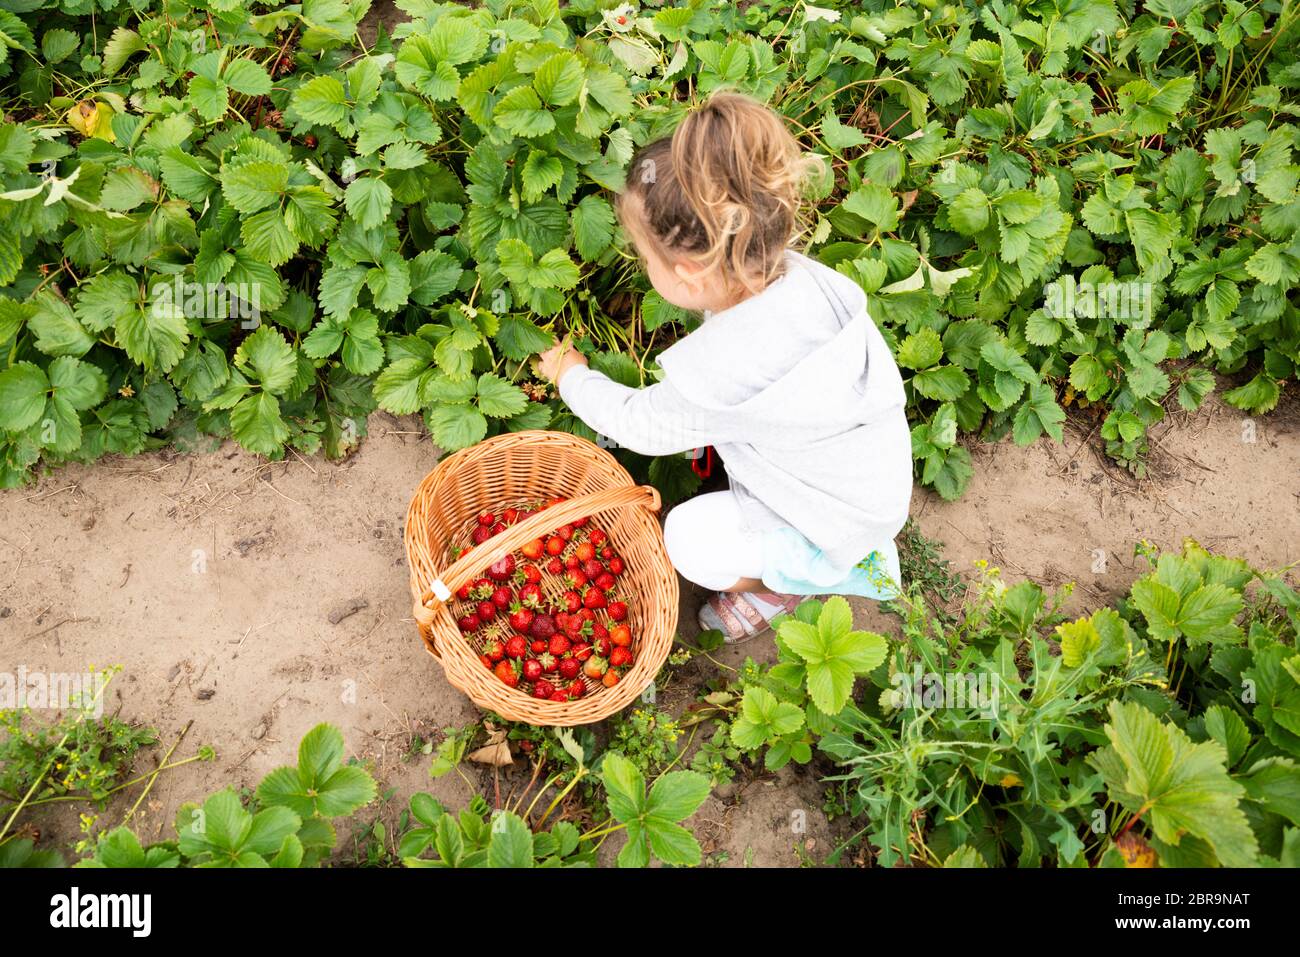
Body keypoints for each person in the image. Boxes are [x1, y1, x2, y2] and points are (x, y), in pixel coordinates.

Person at [537, 91, 912, 642]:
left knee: (687, 539)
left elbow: (635, 424)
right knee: (719, 452)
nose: (644, 268)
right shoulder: (806, 280)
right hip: (868, 476)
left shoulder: (722, 372)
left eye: (646, 258)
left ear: (687, 274)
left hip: (834, 521)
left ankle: (794, 580)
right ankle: (835, 544)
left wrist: (570, 373)